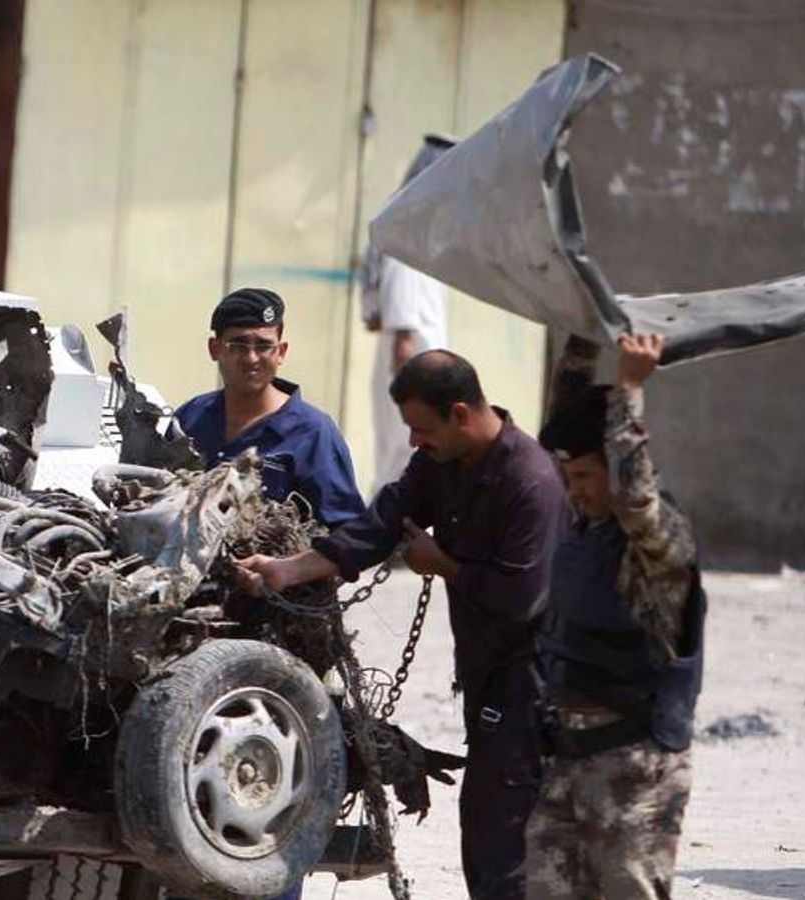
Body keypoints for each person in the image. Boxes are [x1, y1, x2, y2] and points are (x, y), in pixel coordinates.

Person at [232, 349, 566, 900]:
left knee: (504, 825)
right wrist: (285, 571)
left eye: (420, 428)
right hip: (488, 668)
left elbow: (523, 597)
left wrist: (444, 565)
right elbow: (378, 526)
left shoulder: (529, 481)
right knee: (487, 818)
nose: (413, 442)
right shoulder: (442, 461)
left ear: (460, 414)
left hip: (535, 673)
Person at [526, 333, 704, 900]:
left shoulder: (654, 542)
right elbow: (560, 435)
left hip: (634, 768)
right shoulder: (585, 528)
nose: (571, 492)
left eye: (584, 479)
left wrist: (629, 387)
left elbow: (633, 495)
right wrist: (578, 338)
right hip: (569, 759)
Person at [174, 287, 366, 527]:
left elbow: (346, 534)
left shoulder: (313, 433)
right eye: (238, 345)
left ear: (281, 352)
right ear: (215, 349)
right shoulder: (191, 418)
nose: (252, 358)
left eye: (263, 346)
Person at [362, 135, 453, 492]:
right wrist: (413, 398)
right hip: (415, 379)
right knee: (402, 464)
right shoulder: (409, 242)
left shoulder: (422, 240)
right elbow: (404, 339)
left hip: (420, 380)